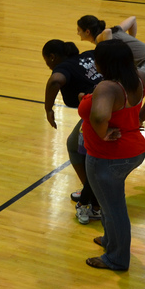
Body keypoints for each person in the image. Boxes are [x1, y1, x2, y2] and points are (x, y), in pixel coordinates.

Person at [79, 40, 145, 271]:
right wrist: (141, 117)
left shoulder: (107, 87)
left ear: (102, 63)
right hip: (133, 151)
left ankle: (116, 259)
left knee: (113, 209)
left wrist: (103, 133)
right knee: (110, 202)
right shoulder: (138, 77)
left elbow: (99, 117)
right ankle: (110, 241)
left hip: (107, 158)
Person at [41, 40, 103, 224]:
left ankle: (94, 197)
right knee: (75, 145)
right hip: (111, 102)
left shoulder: (64, 67)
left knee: (80, 149)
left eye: (46, 61)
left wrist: (48, 109)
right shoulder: (89, 55)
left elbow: (55, 81)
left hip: (99, 111)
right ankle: (91, 192)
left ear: (52, 57)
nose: (48, 65)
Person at [76, 15, 145, 73]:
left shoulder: (99, 39)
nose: (77, 33)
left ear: (87, 32)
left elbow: (107, 31)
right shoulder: (117, 29)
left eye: (79, 30)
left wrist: (109, 50)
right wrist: (131, 40)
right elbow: (132, 19)